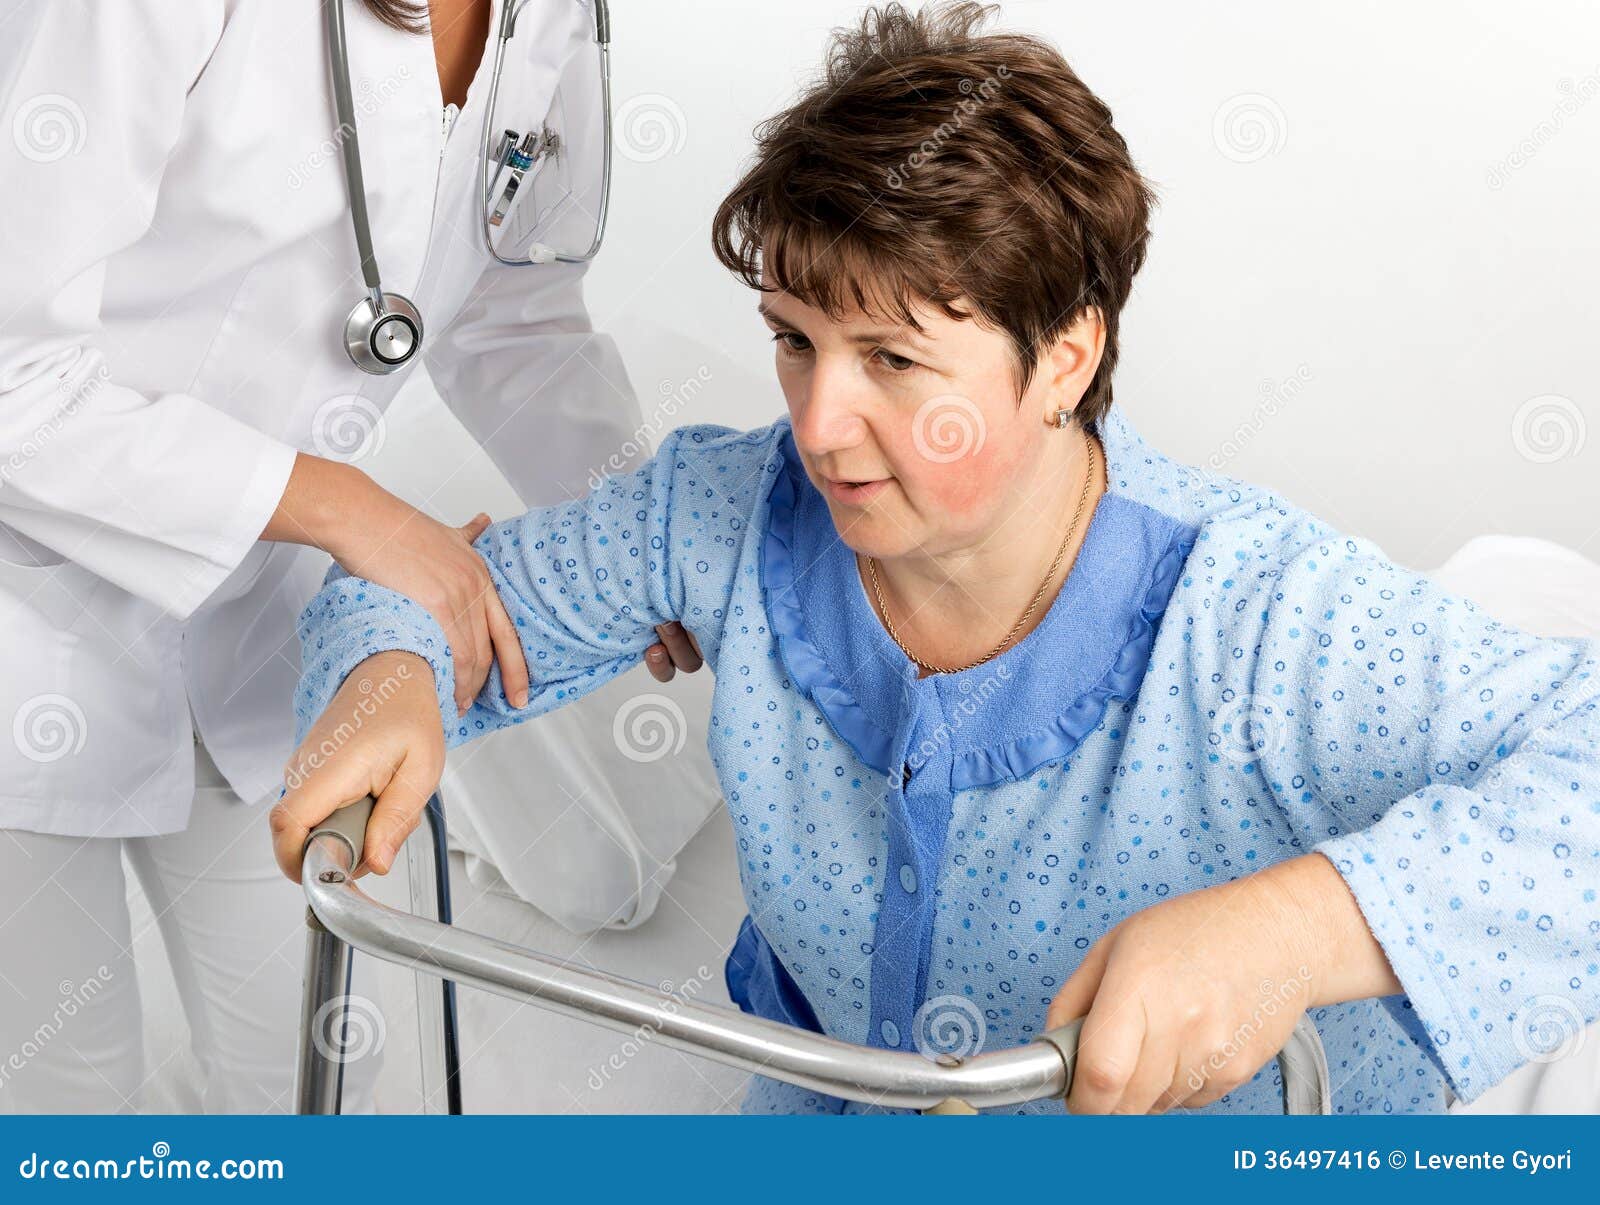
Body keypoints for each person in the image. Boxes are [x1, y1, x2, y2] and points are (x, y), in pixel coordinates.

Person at [272, 3, 1600, 1114]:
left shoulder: (1258, 621)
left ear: (1064, 358)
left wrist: (1294, 929)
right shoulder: (725, 508)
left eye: (896, 362)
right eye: (795, 339)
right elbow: (420, 591)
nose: (819, 422)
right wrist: (392, 661)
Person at [0, 0, 697, 1114]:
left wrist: (647, 530)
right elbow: (12, 377)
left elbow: (510, 310)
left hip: (249, 623)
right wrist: (353, 511)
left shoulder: (548, 13)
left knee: (317, 1071)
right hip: (21, 611)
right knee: (60, 1099)